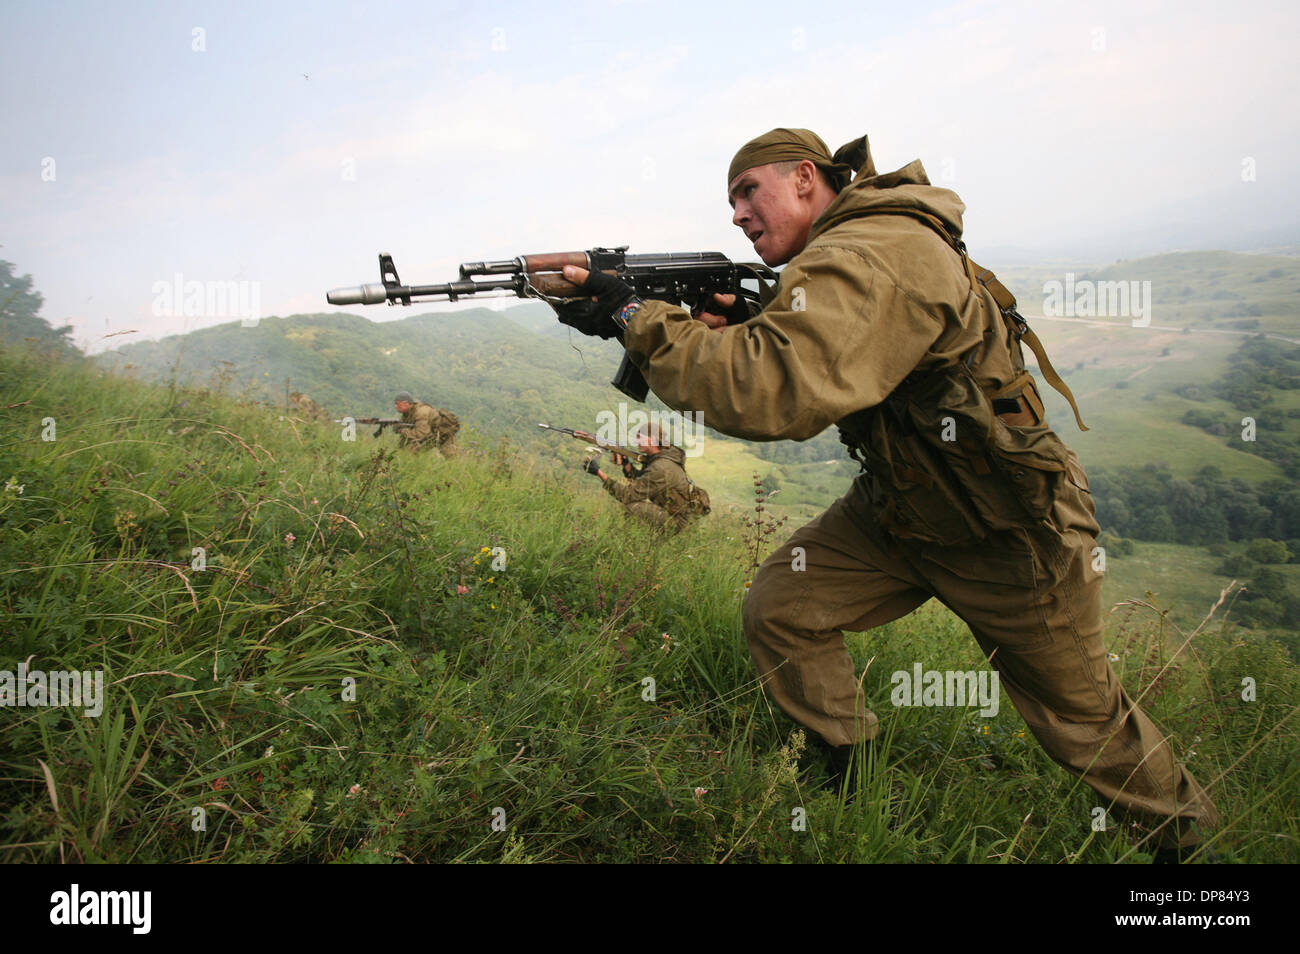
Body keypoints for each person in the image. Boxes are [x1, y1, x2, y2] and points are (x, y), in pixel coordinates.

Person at [550, 128, 1217, 861]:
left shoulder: (872, 252)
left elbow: (771, 392)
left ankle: (1187, 856)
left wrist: (632, 315)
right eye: (731, 201)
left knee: (1081, 717)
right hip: (902, 508)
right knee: (784, 609)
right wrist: (705, 322)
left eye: (749, 192)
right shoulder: (838, 256)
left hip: (1004, 527)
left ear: (806, 179)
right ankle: (851, 768)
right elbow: (817, 354)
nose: (737, 214)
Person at [582, 422, 705, 532]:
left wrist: (599, 473)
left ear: (652, 440)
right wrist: (627, 465)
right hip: (677, 514)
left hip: (680, 522)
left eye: (640, 438)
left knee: (633, 507)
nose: (636, 442)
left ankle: (633, 541)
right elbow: (645, 480)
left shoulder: (661, 467)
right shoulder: (660, 459)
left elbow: (627, 495)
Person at [393, 390, 459, 457]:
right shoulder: (407, 413)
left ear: (406, 403)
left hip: (443, 435)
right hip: (430, 434)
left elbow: (420, 434)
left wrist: (402, 430)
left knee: (454, 457)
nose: (396, 406)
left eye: (398, 404)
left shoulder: (421, 413)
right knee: (407, 450)